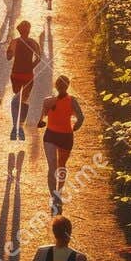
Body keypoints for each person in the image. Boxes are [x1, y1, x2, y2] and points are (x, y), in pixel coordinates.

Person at [36, 75, 86, 212]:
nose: (62, 87)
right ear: (66, 86)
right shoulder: (68, 101)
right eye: (62, 85)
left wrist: (42, 121)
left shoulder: (50, 101)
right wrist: (75, 127)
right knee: (58, 166)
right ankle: (56, 195)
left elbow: (41, 120)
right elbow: (81, 118)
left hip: (55, 136)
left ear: (56, 86)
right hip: (62, 136)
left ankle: (56, 195)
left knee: (55, 166)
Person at [4, 20, 43, 141]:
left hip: (16, 75)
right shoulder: (33, 43)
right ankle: (20, 127)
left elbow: (8, 57)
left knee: (17, 99)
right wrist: (31, 66)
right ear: (29, 30)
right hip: (28, 76)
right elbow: (39, 58)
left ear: (19, 30)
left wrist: (10, 49)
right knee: (24, 100)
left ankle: (15, 126)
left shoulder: (15, 42)